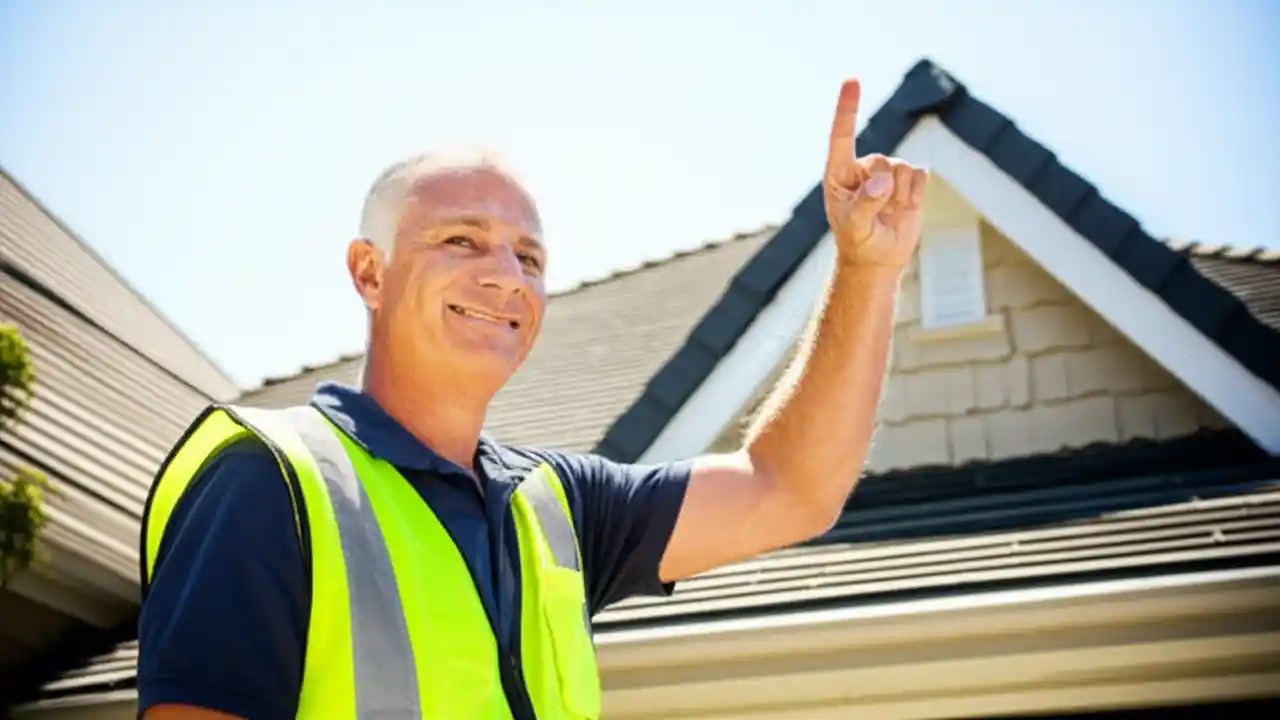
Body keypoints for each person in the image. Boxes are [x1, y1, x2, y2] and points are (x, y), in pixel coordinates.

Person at [136, 77, 927, 720]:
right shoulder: (265, 482)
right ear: (369, 273)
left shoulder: (556, 509)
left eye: (529, 256)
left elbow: (790, 489)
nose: (506, 277)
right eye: (461, 241)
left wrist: (866, 271)